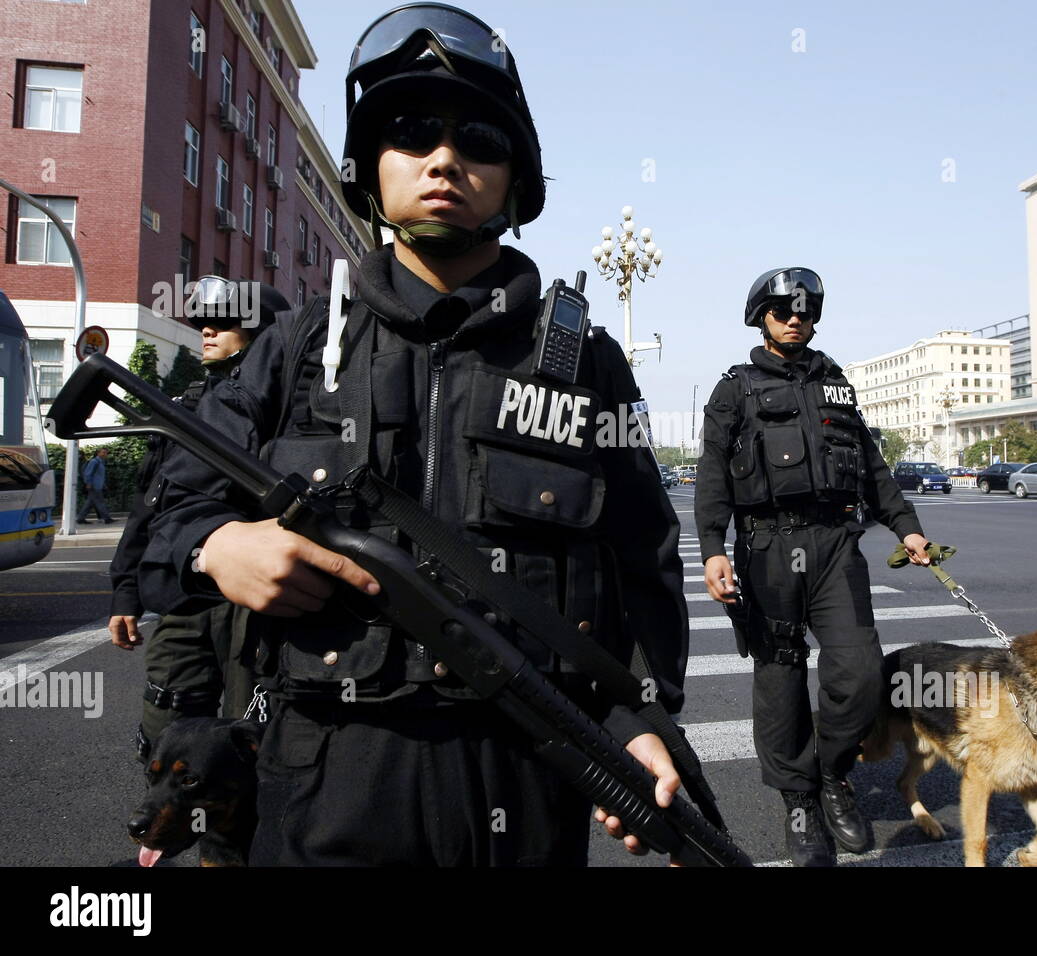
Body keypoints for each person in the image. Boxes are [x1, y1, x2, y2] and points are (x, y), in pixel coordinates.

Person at [139, 2, 689, 866]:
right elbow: (171, 508)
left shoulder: (582, 361)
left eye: (479, 138)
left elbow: (643, 557)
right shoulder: (296, 347)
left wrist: (642, 716)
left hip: (526, 771)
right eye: (410, 132)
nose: (445, 158)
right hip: (326, 766)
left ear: (517, 178)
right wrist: (217, 547)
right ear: (369, 165)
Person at [695, 266, 933, 866]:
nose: (795, 317)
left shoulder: (837, 384)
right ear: (761, 317)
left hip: (836, 548)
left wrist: (908, 528)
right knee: (780, 680)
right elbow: (712, 474)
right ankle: (799, 801)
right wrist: (713, 548)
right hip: (768, 550)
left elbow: (873, 467)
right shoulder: (735, 388)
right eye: (782, 309)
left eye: (805, 309)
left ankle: (831, 775)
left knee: (859, 676)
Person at [108, 277, 289, 762]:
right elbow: (154, 502)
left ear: (263, 332)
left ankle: (234, 838)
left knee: (249, 738)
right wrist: (126, 589)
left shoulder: (293, 410)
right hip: (188, 592)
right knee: (167, 726)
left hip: (256, 601)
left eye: (225, 322)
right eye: (203, 322)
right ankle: (166, 827)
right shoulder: (188, 406)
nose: (207, 331)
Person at [76, 447, 113, 524]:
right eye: (103, 452)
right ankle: (107, 518)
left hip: (97, 486)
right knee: (100, 502)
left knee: (89, 503)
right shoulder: (94, 462)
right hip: (94, 486)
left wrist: (103, 485)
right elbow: (88, 473)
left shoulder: (100, 462)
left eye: (106, 453)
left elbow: (99, 476)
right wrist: (88, 483)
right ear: (98, 453)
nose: (105, 454)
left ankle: (80, 518)